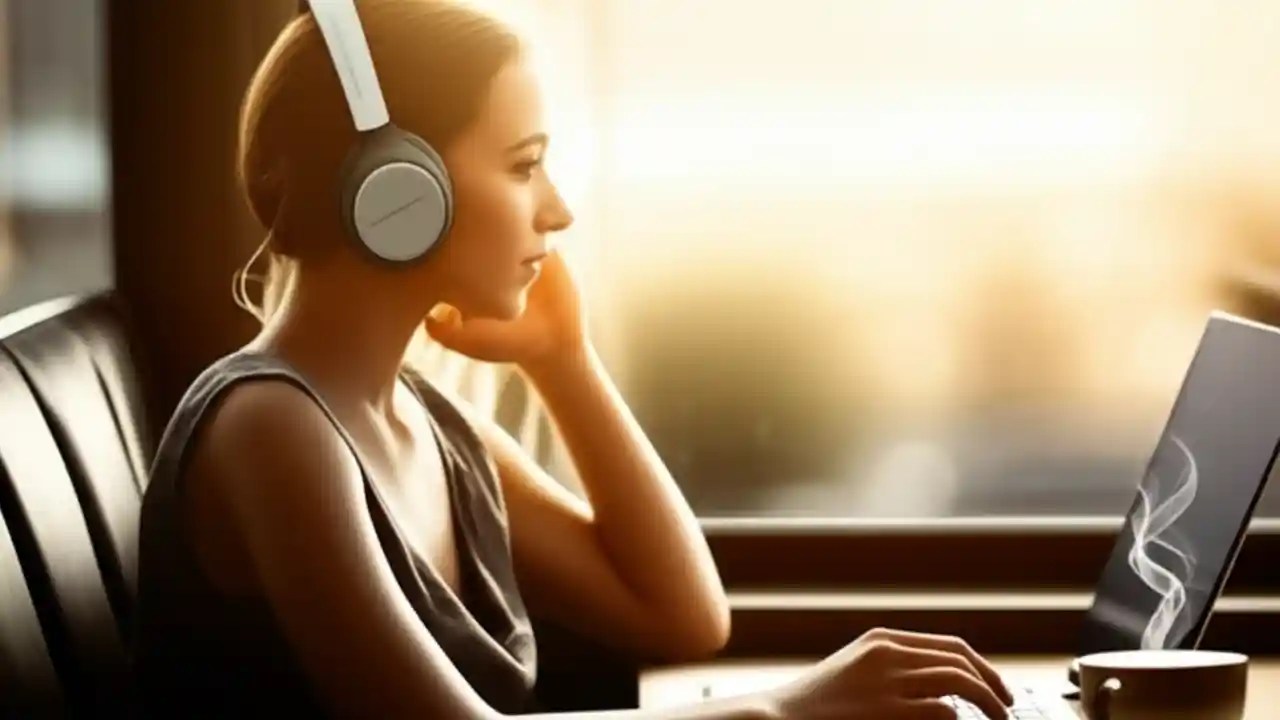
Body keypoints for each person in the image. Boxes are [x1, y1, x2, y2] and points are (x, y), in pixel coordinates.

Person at [132, 1, 1017, 717]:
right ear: (399, 188)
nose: (556, 211)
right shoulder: (276, 432)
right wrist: (785, 709)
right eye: (524, 167)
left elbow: (682, 616)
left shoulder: (425, 425)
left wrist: (565, 361)